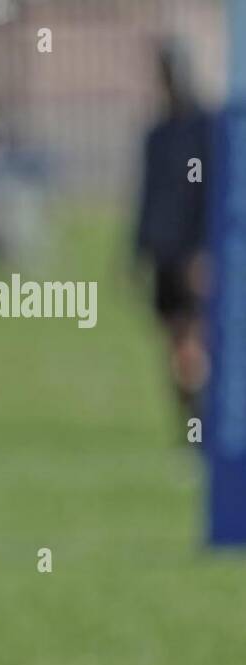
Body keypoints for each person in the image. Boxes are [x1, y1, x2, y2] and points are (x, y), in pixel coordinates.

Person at [135, 38, 213, 422]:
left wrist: (204, 250)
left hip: (192, 252)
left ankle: (200, 420)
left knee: (192, 341)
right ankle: (189, 421)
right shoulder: (158, 134)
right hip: (166, 252)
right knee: (175, 341)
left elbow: (211, 195)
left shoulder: (205, 131)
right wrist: (136, 253)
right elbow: (147, 196)